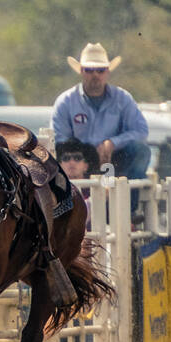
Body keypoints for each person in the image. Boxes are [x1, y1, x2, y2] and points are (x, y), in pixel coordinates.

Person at [50, 43, 149, 214]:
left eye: (100, 70)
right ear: (81, 71)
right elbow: (59, 140)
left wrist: (113, 143)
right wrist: (84, 154)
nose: (95, 75)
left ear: (107, 72)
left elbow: (141, 131)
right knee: (59, 160)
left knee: (141, 151)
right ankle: (64, 209)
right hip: (78, 160)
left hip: (115, 159)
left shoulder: (123, 98)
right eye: (89, 70)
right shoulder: (66, 101)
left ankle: (128, 211)